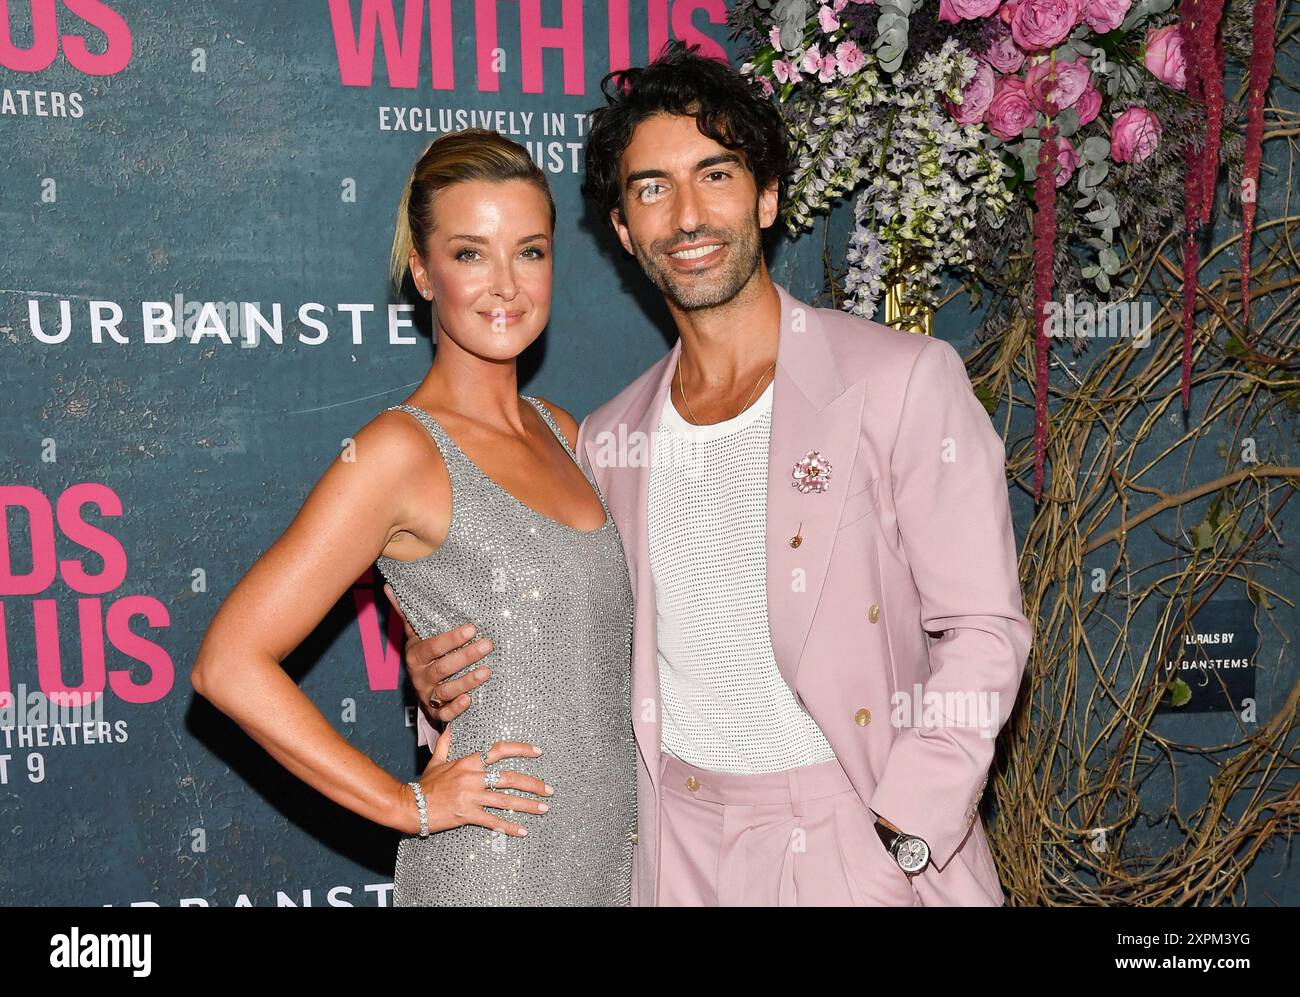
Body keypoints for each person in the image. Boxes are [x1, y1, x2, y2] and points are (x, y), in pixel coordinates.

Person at [391, 42, 1033, 908]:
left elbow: (986, 630)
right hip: (672, 851)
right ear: (623, 228)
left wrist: (908, 821)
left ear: (767, 196)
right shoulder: (608, 438)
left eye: (716, 175)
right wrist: (435, 682)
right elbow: (571, 635)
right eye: (652, 188)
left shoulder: (898, 380)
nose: (687, 215)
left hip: (854, 837)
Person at [190, 128, 638, 906]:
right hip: (496, 874)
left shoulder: (566, 432)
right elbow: (229, 663)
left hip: (616, 867)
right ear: (424, 274)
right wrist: (408, 803)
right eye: (470, 253)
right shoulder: (400, 451)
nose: (505, 283)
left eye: (529, 251)